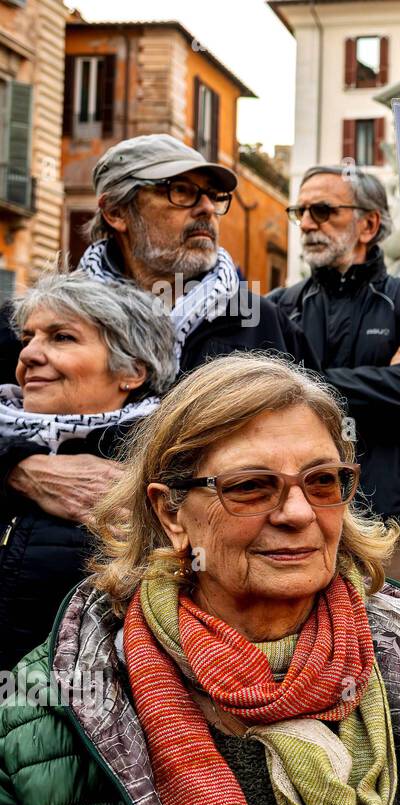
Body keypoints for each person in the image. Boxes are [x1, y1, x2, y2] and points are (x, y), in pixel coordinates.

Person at [0, 353, 400, 805]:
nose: (296, 513)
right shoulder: (56, 702)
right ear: (171, 513)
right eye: (251, 487)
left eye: (322, 480)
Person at [1, 135, 318, 541]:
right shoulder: (40, 319)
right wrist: (19, 470)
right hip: (54, 567)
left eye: (213, 195)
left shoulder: (262, 323)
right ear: (116, 211)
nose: (205, 208)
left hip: (223, 563)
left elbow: (319, 439)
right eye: (181, 192)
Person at [0, 273, 175, 669]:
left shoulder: (165, 463)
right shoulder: (9, 444)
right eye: (28, 338)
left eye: (62, 337)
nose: (28, 355)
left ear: (131, 371)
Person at [268, 165, 400, 584]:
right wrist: (380, 378)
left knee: (384, 643)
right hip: (290, 514)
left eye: (321, 210)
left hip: (386, 518)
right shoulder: (278, 307)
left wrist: (307, 381)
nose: (305, 224)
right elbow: (264, 399)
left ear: (368, 224)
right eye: (299, 211)